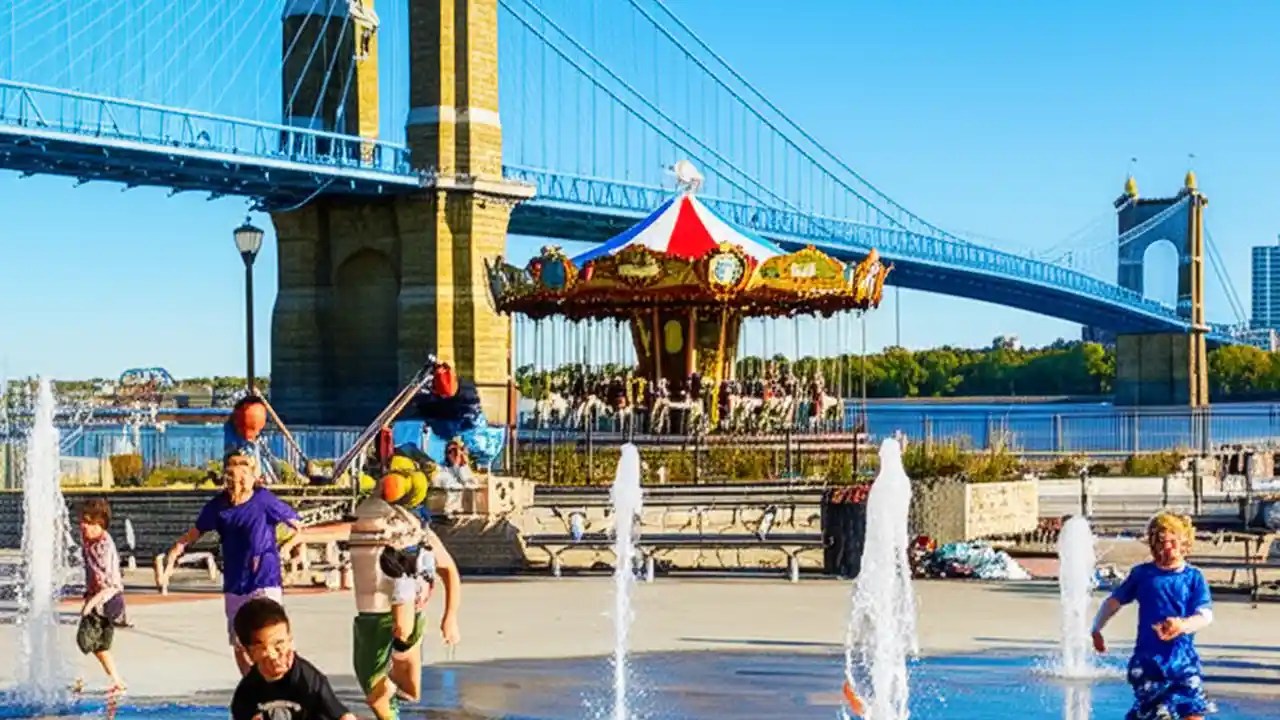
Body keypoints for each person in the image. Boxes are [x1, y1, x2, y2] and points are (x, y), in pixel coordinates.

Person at [161, 448, 306, 676]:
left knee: (275, 634)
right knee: (240, 641)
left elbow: (298, 526)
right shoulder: (218, 507)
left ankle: (292, 679)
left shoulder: (263, 500)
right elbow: (195, 532)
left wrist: (289, 548)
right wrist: (176, 550)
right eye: (232, 479)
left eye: (242, 478)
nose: (237, 485)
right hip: (235, 582)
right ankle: (252, 687)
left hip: (264, 579)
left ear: (251, 478)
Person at [349, 473, 462, 720]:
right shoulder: (412, 526)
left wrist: (450, 618)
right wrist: (449, 618)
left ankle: (390, 692)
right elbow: (450, 571)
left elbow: (449, 570)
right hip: (404, 617)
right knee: (408, 693)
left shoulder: (408, 528)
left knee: (375, 687)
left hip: (381, 619)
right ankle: (393, 696)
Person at [1092, 512, 1215, 720]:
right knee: (1155, 713)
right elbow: (1113, 601)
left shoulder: (1193, 577)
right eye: (1160, 541)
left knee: (1193, 712)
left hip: (1182, 661)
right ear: (1152, 544)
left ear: (1185, 542)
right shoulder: (1143, 574)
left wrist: (1182, 625)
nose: (1167, 547)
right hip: (1148, 662)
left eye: (1172, 541)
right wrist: (1096, 628)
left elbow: (1205, 615)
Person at [231, 597, 356, 720]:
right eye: (264, 649)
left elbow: (343, 716)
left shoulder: (309, 681)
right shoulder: (246, 693)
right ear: (248, 652)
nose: (275, 657)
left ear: (290, 639)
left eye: (280, 644)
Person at [77, 498, 129, 694]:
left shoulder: (104, 548)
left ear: (99, 524)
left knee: (88, 640)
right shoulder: (90, 539)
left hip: (109, 600)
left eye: (88, 522)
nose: (82, 526)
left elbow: (111, 585)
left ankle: (82, 677)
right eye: (82, 520)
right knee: (96, 644)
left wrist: (91, 604)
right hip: (99, 598)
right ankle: (115, 680)